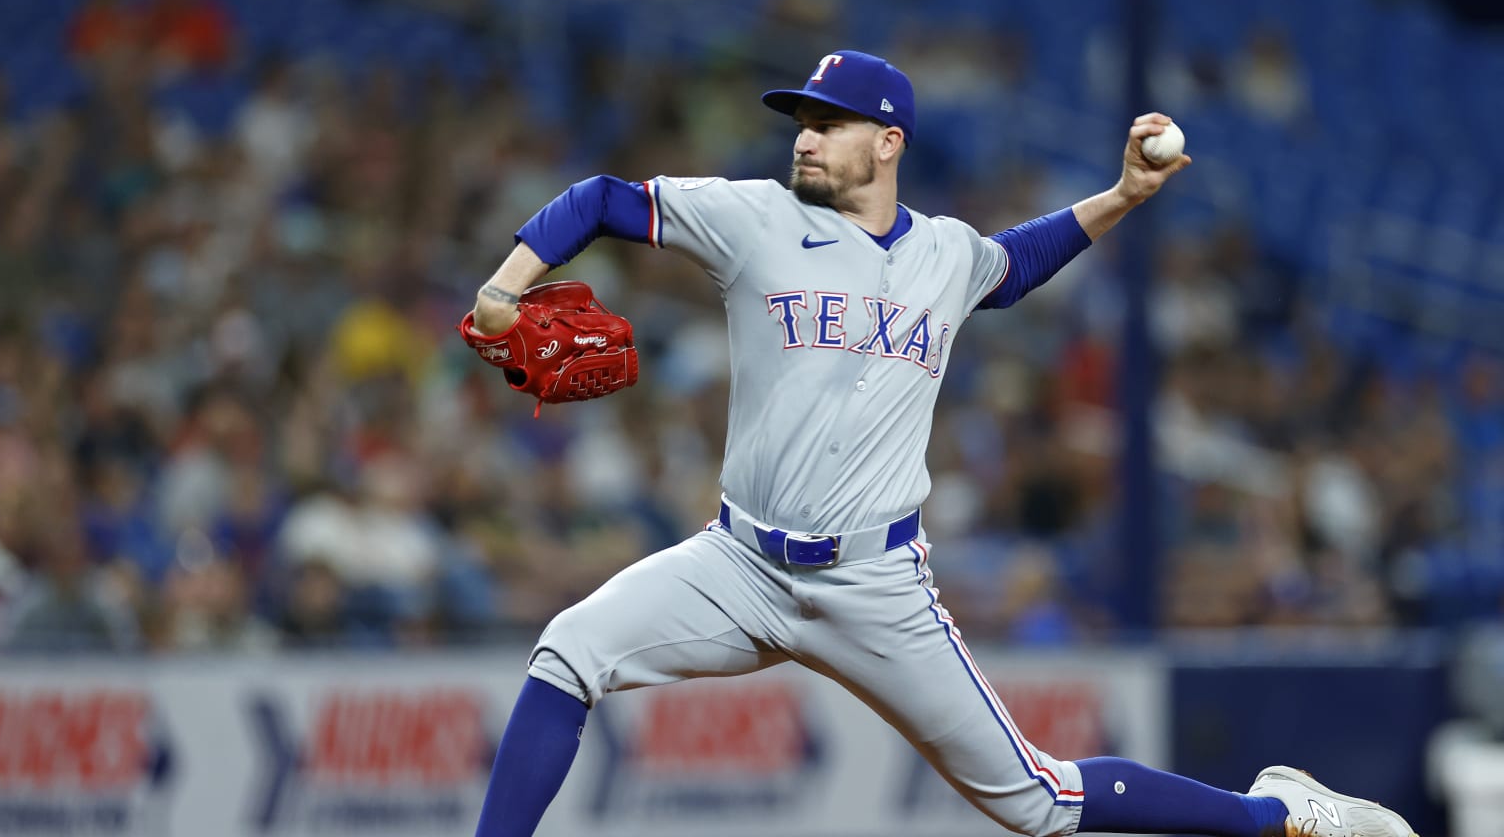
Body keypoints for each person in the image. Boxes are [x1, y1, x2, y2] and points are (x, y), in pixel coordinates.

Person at [464, 51, 1416, 837]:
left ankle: (1278, 817)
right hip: (737, 562)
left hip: (874, 586)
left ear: (887, 143)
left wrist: (1124, 194)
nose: (804, 134)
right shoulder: (752, 218)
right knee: (568, 652)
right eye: (801, 118)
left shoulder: (947, 255)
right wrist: (506, 288)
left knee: (1039, 805)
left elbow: (1019, 262)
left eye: (828, 122)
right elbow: (596, 200)